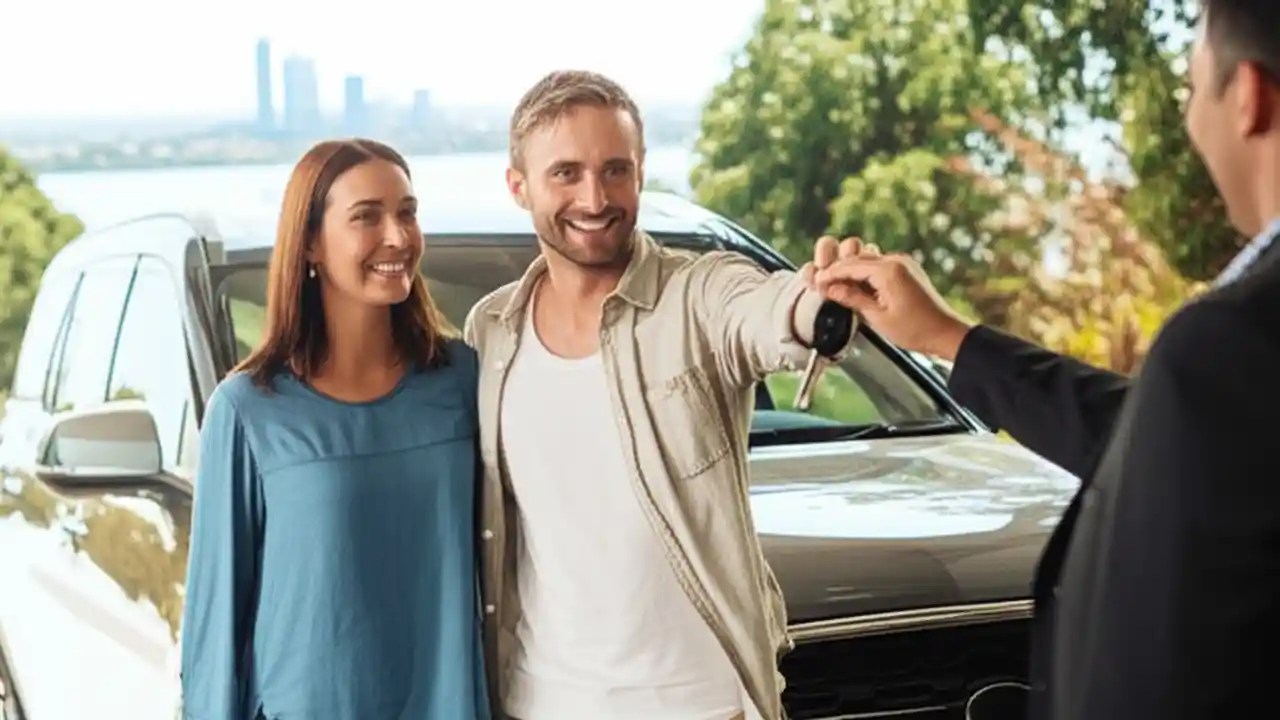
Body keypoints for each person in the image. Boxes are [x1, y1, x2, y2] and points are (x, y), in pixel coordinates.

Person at [812, 2, 1280, 718]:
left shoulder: (1234, 339)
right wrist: (948, 337)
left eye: (1192, 89)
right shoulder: (1233, 362)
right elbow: (1147, 438)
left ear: (1247, 97)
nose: (1189, 122)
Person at [463, 70, 868, 720]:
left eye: (614, 170)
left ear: (642, 170)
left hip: (702, 705)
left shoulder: (696, 295)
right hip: (541, 703)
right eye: (565, 173)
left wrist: (819, 302)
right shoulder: (491, 330)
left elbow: (767, 311)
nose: (595, 198)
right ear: (519, 186)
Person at [179, 139, 490, 719]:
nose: (398, 236)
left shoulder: (461, 382)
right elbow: (214, 632)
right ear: (311, 242)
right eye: (367, 216)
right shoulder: (249, 411)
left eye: (407, 212)